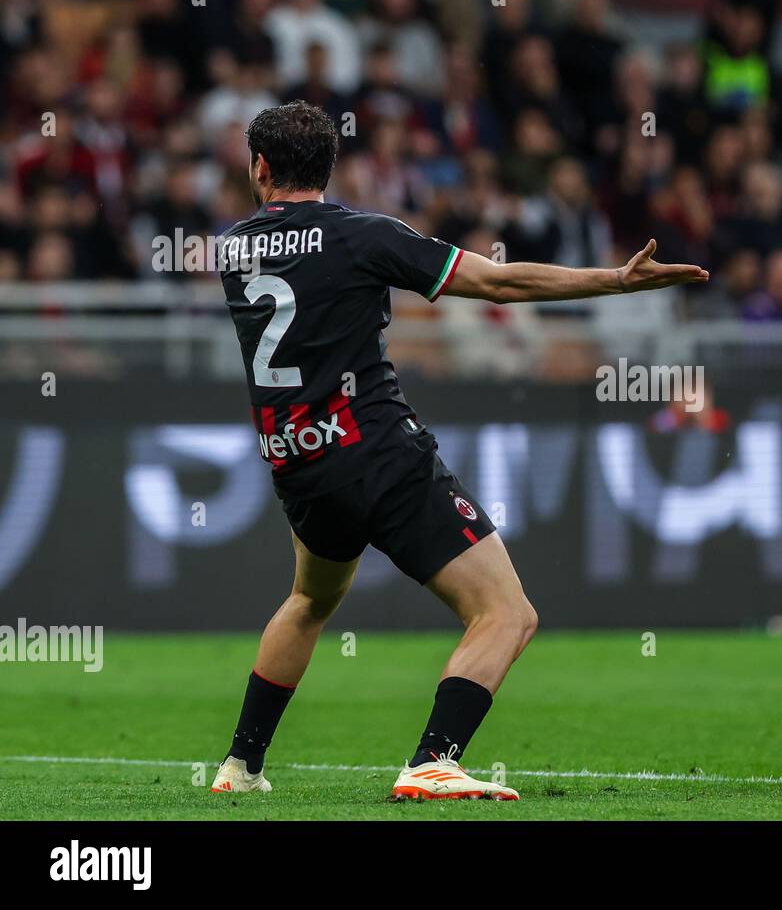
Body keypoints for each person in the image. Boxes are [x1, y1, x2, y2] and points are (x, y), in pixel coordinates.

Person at [210, 102, 707, 801]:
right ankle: (432, 760)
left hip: (298, 464)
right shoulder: (364, 237)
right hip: (379, 452)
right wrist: (614, 281)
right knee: (508, 613)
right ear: (331, 167)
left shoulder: (232, 248)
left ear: (259, 168)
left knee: (306, 602)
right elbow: (499, 283)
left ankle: (240, 766)